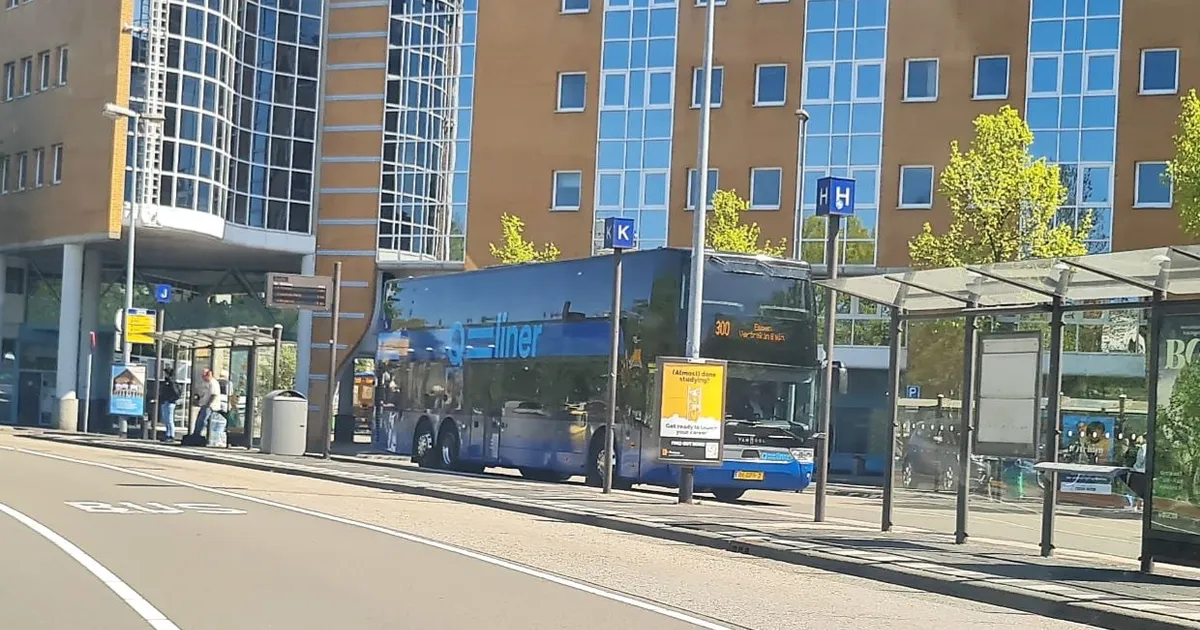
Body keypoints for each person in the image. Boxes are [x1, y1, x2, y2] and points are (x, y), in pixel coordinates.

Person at [189, 369, 217, 441]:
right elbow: (200, 393)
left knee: (202, 420)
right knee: (199, 420)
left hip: (209, 406)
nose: (203, 378)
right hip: (203, 404)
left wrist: (208, 405)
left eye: (204, 376)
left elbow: (213, 395)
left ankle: (197, 435)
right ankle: (196, 434)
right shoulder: (205, 383)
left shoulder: (213, 383)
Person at [158, 367, 181, 441]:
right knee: (166, 419)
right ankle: (168, 434)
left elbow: (175, 393)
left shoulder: (172, 382)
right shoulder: (167, 381)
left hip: (169, 403)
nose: (164, 374)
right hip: (165, 402)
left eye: (165, 373)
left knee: (169, 419)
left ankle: (171, 435)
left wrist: (170, 400)